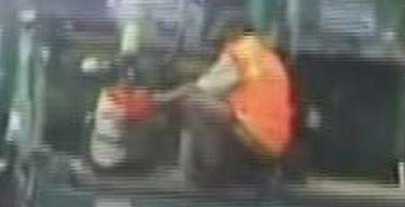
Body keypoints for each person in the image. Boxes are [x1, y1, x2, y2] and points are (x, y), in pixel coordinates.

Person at [157, 17, 294, 187]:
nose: (219, 49)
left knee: (192, 103)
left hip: (255, 137)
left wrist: (157, 100)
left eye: (220, 41)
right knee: (211, 107)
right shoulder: (266, 55)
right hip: (271, 142)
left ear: (232, 33)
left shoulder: (241, 51)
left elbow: (198, 89)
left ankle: (213, 173)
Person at [88, 54, 160, 174]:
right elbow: (128, 115)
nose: (129, 79)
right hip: (119, 163)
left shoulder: (111, 95)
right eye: (125, 75)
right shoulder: (111, 97)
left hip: (126, 162)